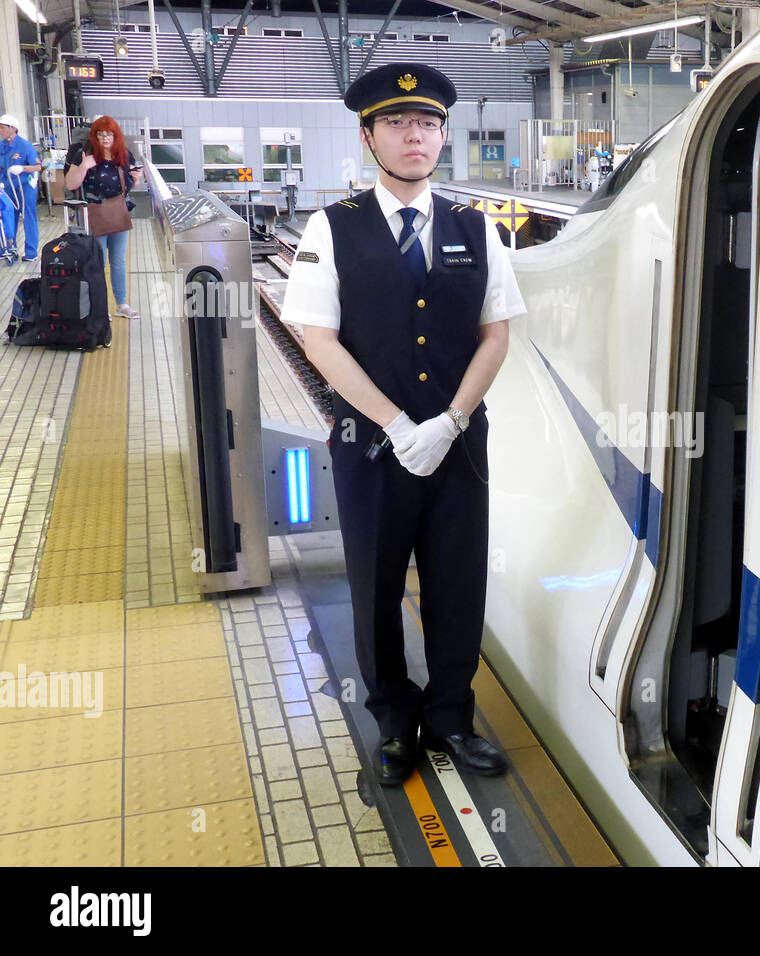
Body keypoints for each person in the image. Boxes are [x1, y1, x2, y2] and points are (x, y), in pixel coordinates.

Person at [280, 63, 526, 785]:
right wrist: (396, 423)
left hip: (458, 452)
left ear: (443, 136)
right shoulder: (332, 229)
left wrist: (450, 421)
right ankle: (394, 720)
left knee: (458, 583)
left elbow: (496, 335)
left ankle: (450, 716)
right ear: (368, 137)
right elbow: (317, 339)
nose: (413, 135)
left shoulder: (477, 229)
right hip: (372, 450)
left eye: (426, 123)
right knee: (376, 587)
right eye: (396, 123)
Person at [61, 115, 142, 319]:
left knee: (118, 261)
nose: (105, 138)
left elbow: (131, 185)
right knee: (96, 262)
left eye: (109, 134)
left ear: (116, 135)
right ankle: (98, 306)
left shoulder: (123, 154)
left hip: (118, 211)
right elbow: (70, 184)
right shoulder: (83, 153)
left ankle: (121, 304)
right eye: (100, 134)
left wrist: (136, 179)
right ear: (94, 136)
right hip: (93, 213)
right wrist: (84, 166)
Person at [0, 114, 41, 263]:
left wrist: (22, 168)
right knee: (7, 216)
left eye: (2, 127)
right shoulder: (2, 145)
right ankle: (8, 248)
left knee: (28, 216)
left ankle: (31, 252)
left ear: (13, 129)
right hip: (7, 186)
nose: (0, 130)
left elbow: (38, 166)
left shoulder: (25, 146)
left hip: (25, 187)